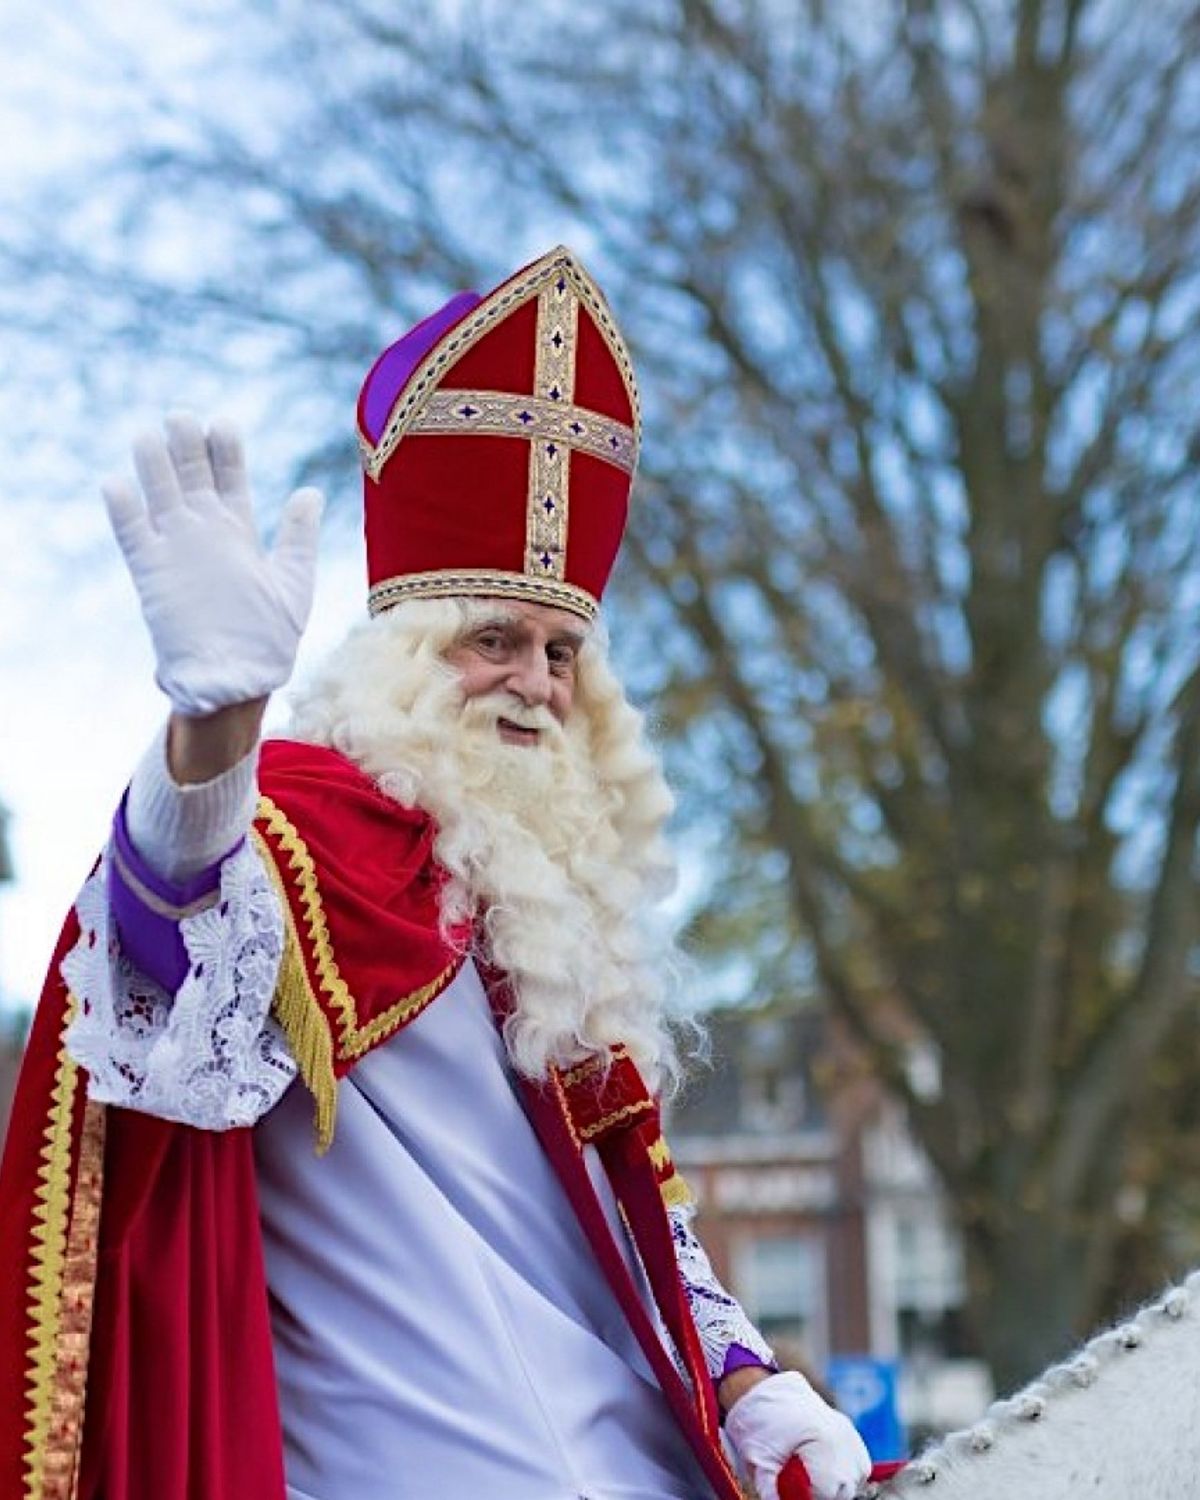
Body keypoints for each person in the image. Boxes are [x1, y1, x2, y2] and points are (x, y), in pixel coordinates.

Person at [0, 246, 871, 1500]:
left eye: (563, 650)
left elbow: (637, 1223)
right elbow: (159, 959)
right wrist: (214, 733)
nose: (535, 682)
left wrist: (749, 1379)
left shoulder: (551, 907)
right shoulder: (295, 831)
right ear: (403, 654)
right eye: (494, 640)